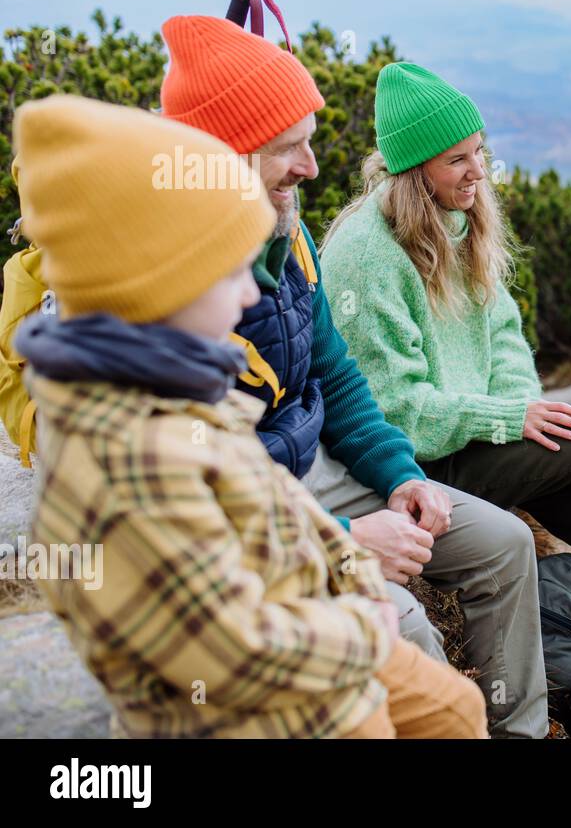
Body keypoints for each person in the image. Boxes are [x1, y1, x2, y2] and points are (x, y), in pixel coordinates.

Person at [13, 94, 486, 738]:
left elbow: (282, 519)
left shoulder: (188, 391)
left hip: (310, 650)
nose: (247, 294)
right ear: (160, 286)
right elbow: (232, 653)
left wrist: (350, 572)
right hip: (254, 711)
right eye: (229, 271)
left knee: (455, 708)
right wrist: (357, 629)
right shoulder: (128, 460)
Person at [158, 17, 547, 737]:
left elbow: (337, 382)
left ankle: (519, 728)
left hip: (322, 466)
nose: (311, 165)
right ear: (226, 154)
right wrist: (346, 538)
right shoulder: (167, 287)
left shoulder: (288, 234)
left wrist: (402, 477)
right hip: (268, 503)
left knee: (503, 543)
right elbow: (195, 496)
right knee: (402, 624)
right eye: (288, 148)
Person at [320, 62, 571, 702]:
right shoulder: (366, 255)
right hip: (421, 462)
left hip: (481, 436)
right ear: (413, 170)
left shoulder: (467, 217)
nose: (478, 172)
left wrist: (518, 407)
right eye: (457, 160)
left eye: (479, 151)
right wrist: (511, 420)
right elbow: (396, 410)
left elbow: (506, 335)